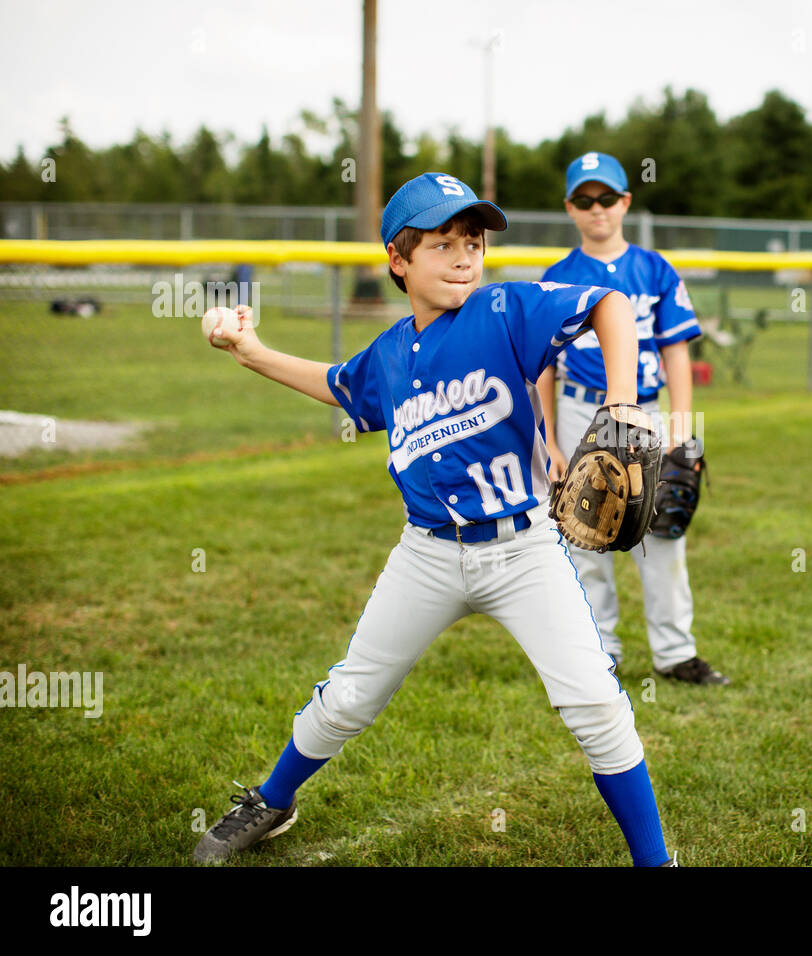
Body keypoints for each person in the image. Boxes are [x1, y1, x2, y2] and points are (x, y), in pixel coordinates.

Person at [193, 172, 676, 867]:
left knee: (596, 704)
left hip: (523, 548)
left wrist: (624, 404)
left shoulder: (506, 309)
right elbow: (338, 385)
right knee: (349, 697)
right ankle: (273, 801)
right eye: (443, 244)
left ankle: (656, 862)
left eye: (473, 243)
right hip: (427, 554)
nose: (463, 258)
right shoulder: (388, 354)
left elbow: (611, 305)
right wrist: (250, 351)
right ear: (398, 259)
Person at [537, 152, 728, 686]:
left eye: (606, 198)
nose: (595, 209)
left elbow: (676, 353)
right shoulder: (557, 278)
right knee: (585, 530)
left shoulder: (655, 269)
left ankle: (674, 652)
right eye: (583, 199)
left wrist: (684, 426)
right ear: (570, 208)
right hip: (581, 406)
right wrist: (548, 438)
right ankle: (600, 651)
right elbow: (543, 367)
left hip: (646, 411)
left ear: (625, 202)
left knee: (663, 528)